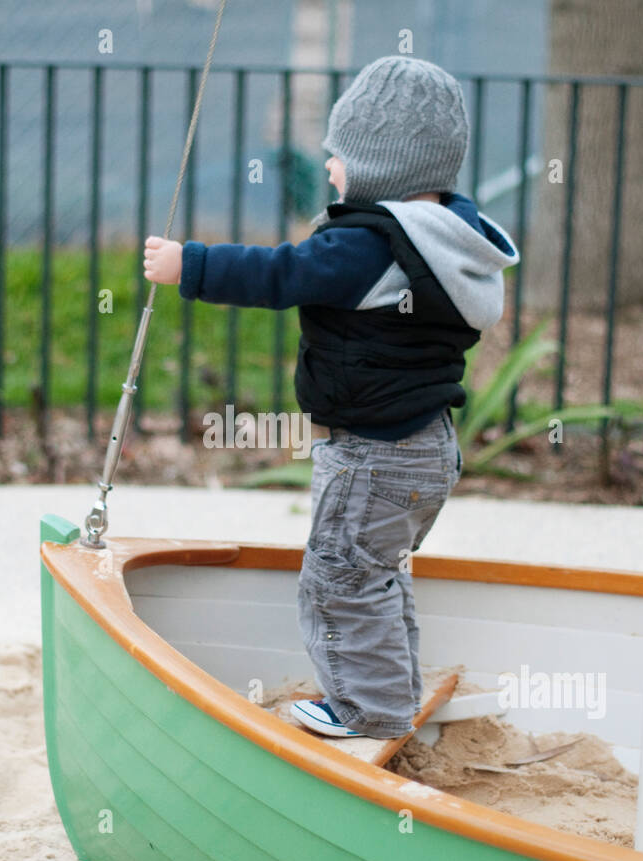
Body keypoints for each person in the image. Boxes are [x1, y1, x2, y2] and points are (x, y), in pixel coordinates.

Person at [142, 55, 519, 738]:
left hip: (374, 453)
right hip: (426, 447)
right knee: (376, 572)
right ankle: (390, 695)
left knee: (339, 577)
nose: (330, 170)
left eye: (340, 157)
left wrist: (188, 264)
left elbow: (282, 273)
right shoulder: (447, 244)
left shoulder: (367, 245)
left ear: (383, 166)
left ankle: (369, 712)